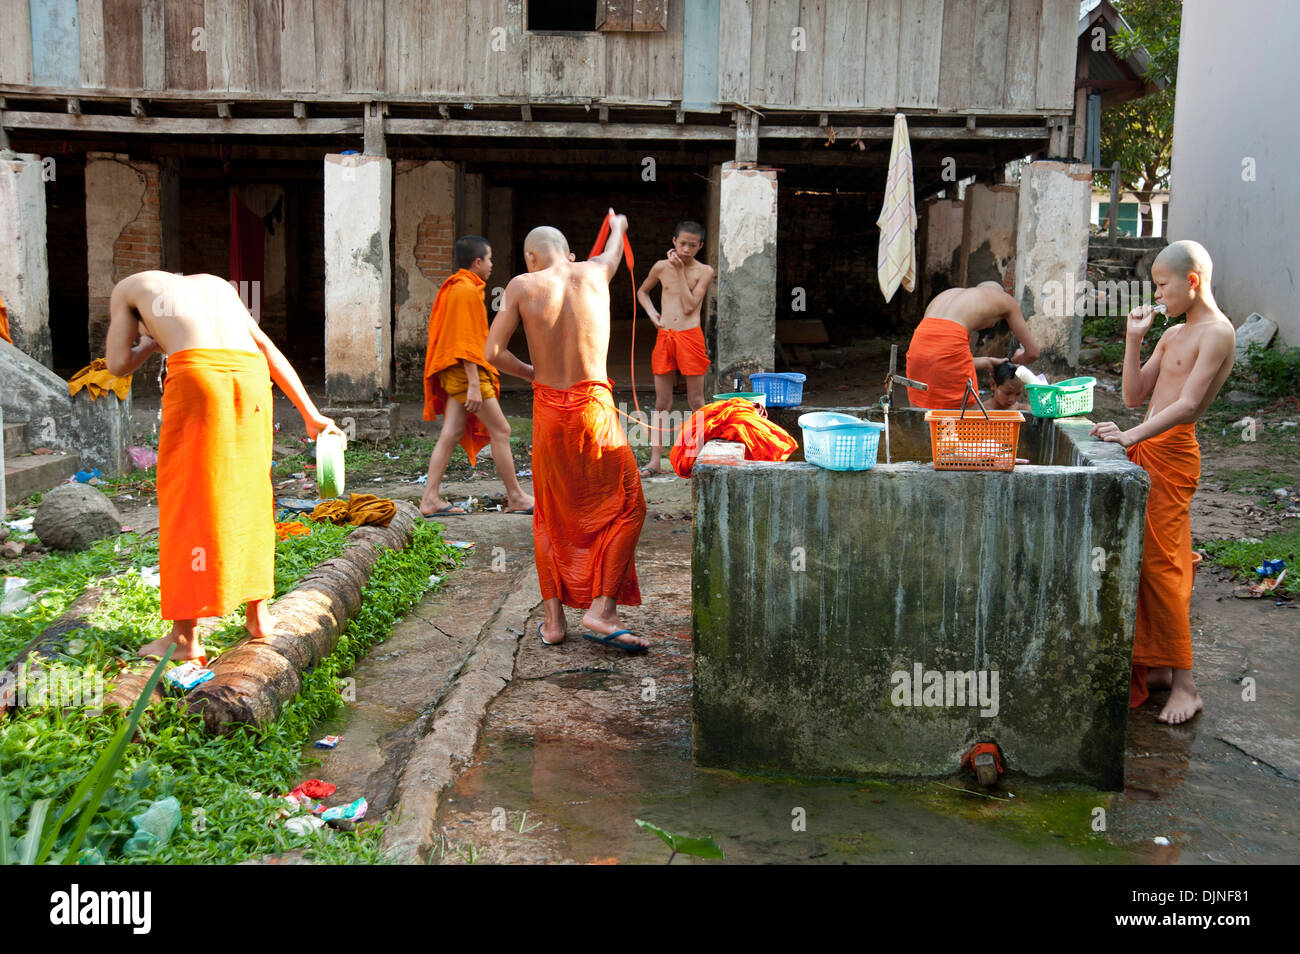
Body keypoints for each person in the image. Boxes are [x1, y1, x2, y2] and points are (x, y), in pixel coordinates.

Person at [104, 271, 344, 663]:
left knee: (189, 501)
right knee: (250, 492)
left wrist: (149, 344)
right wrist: (312, 415)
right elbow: (265, 345)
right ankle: (258, 615)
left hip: (197, 376)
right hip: (250, 376)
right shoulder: (217, 284)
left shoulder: (128, 288)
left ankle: (184, 640)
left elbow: (116, 364)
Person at [484, 212, 649, 653]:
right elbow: (613, 249)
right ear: (569, 253)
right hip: (594, 409)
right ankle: (602, 607)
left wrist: (532, 372)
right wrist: (618, 228)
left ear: (531, 256)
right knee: (629, 505)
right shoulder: (596, 271)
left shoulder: (521, 284)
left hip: (550, 412)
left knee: (550, 514)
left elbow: (492, 351)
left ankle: (554, 623)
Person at [1090, 241, 1235, 725]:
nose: (1156, 294)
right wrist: (1134, 339)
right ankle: (1156, 666)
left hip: (1172, 456)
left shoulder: (1216, 333)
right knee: (1145, 561)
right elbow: (1135, 395)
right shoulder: (1173, 334)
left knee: (1165, 566)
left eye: (1161, 284)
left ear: (1191, 281)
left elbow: (1189, 405)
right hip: (1148, 448)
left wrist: (1129, 436)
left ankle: (1187, 686)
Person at [420, 235, 534, 518]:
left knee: (451, 433)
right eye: (490, 259)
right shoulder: (465, 291)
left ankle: (430, 499)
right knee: (502, 431)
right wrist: (473, 384)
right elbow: (463, 341)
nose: (492, 265)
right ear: (477, 262)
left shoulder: (459, 287)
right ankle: (517, 497)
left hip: (458, 370)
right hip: (465, 372)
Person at [635, 221, 714, 477]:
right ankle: (655, 461)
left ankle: (700, 456)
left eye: (693, 245)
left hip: (690, 336)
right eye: (682, 244)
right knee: (662, 403)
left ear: (700, 246)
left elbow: (690, 306)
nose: (686, 249)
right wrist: (652, 313)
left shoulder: (705, 271)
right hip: (665, 335)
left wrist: (680, 272)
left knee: (696, 401)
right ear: (674, 241)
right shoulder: (660, 266)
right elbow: (642, 292)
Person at [905, 282, 1040, 408]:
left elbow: (940, 357)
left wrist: (987, 361)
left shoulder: (947, 296)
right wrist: (1017, 359)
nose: (993, 324)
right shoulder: (1003, 299)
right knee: (967, 420)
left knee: (922, 409)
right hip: (949, 341)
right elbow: (1033, 353)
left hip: (917, 347)